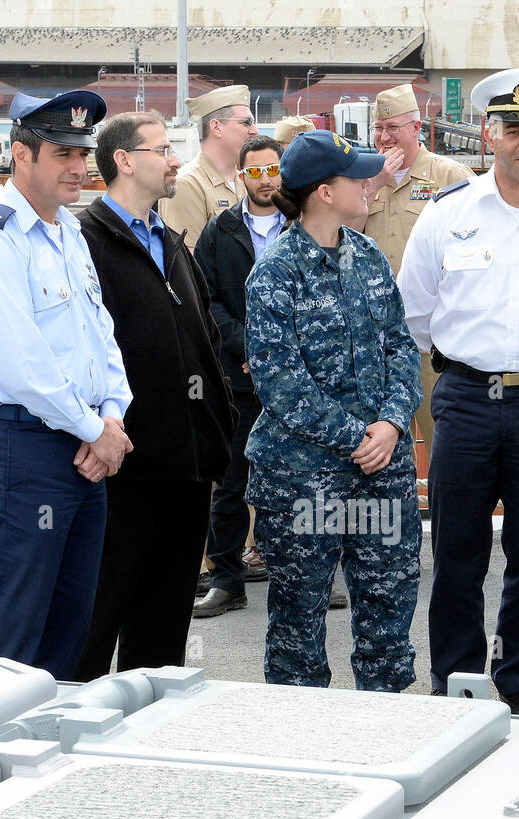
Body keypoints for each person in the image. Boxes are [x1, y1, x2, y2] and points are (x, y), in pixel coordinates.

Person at [398, 68, 519, 718]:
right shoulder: (447, 215)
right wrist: (465, 366)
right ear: (489, 132)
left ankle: (517, 677)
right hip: (465, 399)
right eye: (513, 128)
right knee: (456, 549)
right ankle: (454, 679)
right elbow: (415, 313)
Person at [0, 90, 133, 681]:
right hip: (27, 447)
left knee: (72, 622)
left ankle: (49, 756)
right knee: (15, 624)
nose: (79, 167)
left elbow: (100, 334)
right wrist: (95, 431)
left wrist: (113, 416)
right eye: (63, 153)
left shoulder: (68, 234)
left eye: (83, 152)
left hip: (86, 446)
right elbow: (19, 359)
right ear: (22, 155)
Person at [244, 129, 422, 690]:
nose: (371, 185)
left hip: (380, 474)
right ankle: (304, 752)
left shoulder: (367, 256)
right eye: (358, 178)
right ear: (324, 191)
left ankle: (389, 735)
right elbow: (281, 384)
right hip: (305, 479)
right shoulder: (274, 274)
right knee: (299, 626)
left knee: (388, 620)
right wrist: (358, 438)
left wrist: (392, 425)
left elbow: (401, 346)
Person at [71, 112, 236, 675]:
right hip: (126, 469)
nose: (173, 161)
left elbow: (205, 341)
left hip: (187, 473)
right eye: (164, 149)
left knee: (164, 634)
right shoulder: (85, 242)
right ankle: (77, 736)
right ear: (124, 160)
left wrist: (218, 428)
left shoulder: (170, 240)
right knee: (99, 615)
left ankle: (147, 739)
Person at [192, 134, 285, 618]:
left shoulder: (305, 227)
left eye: (273, 170)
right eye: (255, 172)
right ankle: (227, 579)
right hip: (239, 379)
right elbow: (204, 299)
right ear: (241, 176)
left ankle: (303, 577)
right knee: (231, 483)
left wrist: (282, 351)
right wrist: (247, 344)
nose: (265, 180)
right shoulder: (219, 231)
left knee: (299, 481)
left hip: (296, 384)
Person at [361, 83, 469, 462]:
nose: (385, 137)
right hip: (373, 338)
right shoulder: (362, 177)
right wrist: (374, 184)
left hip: (428, 337)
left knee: (445, 443)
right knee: (378, 448)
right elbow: (338, 233)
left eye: (393, 128)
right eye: (379, 128)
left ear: (416, 128)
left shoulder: (447, 175)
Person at [158, 85, 259, 252]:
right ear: (216, 127)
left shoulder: (246, 180)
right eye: (245, 123)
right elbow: (189, 263)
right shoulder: (186, 185)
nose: (254, 131)